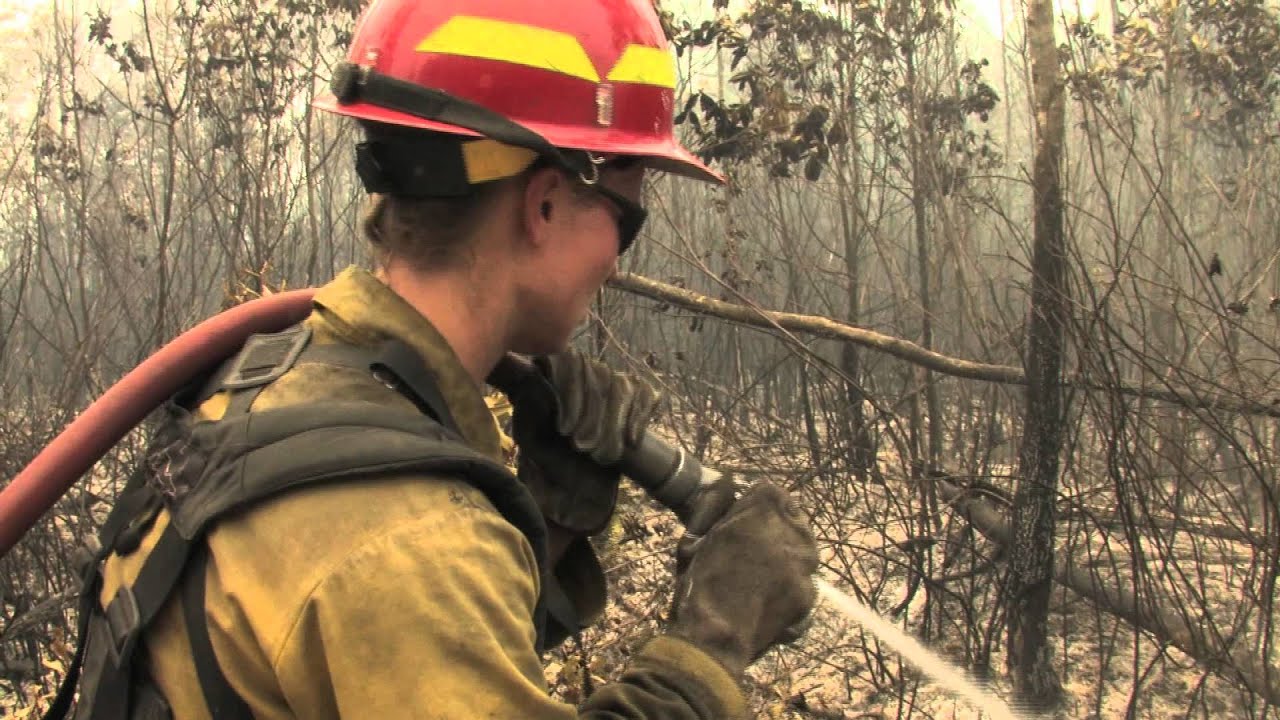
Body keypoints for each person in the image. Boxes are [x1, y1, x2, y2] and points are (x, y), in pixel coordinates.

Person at [64, 1, 819, 718]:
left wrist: (549, 528)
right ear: (546, 203)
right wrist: (712, 645)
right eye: (630, 221)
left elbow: (382, 671)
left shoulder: (281, 377)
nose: (616, 266)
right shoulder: (408, 538)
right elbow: (401, 590)